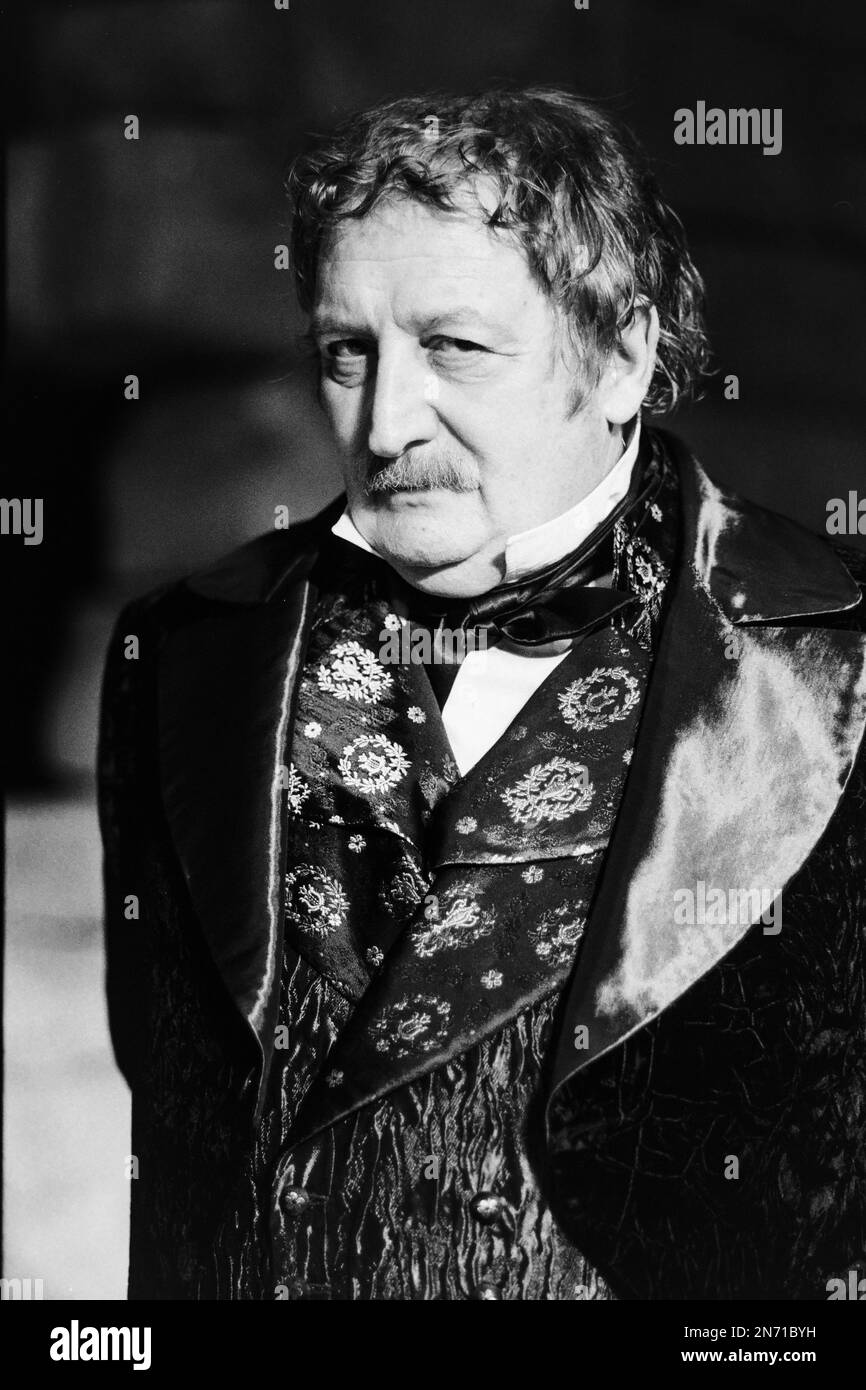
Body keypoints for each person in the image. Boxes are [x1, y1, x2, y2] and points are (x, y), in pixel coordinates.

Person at [97, 87, 866, 1301]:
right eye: (347, 352)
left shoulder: (837, 657)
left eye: (452, 346)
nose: (386, 423)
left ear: (621, 356)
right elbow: (173, 1123)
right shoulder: (182, 654)